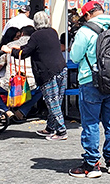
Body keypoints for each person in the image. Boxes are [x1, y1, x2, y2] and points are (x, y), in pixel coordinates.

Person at [68, 1, 110, 177]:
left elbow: (75, 57)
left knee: (91, 122)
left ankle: (92, 164)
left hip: (90, 80)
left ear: (86, 15)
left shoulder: (85, 31)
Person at [4, 11, 67, 140]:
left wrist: (11, 50)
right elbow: (34, 47)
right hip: (61, 69)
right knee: (57, 101)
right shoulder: (53, 32)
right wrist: (19, 47)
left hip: (47, 72)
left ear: (35, 23)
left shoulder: (36, 36)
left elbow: (25, 52)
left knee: (52, 102)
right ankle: (50, 128)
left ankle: (61, 131)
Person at [0, 25, 43, 121]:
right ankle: (22, 111)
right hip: (29, 85)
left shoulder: (10, 45)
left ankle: (5, 110)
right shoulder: (36, 46)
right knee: (41, 89)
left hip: (11, 85)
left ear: (22, 34)